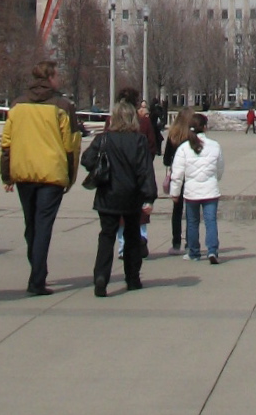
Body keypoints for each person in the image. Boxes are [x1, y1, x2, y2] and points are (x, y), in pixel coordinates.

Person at [0, 60, 82, 294]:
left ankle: (37, 269)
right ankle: (37, 278)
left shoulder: (17, 105)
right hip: (51, 175)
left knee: (31, 225)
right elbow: (71, 145)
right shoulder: (62, 106)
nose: (60, 79)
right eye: (58, 75)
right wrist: (70, 175)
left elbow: (7, 143)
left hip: (24, 173)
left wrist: (7, 175)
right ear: (50, 78)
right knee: (43, 225)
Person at [83, 99, 157, 295]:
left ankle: (101, 276)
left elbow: (87, 159)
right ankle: (132, 278)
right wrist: (149, 197)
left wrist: (101, 164)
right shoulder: (139, 141)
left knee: (107, 236)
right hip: (131, 196)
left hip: (107, 195)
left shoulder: (104, 139)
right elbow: (145, 171)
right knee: (132, 236)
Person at [170, 112, 224, 264]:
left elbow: (177, 173)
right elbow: (220, 168)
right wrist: (215, 179)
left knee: (192, 222)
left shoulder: (184, 148)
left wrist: (175, 192)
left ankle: (194, 252)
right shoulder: (214, 146)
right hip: (210, 190)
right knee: (210, 221)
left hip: (191, 191)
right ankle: (212, 250)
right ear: (205, 128)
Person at [163, 106, 195, 255]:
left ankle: (176, 243)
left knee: (177, 210)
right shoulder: (192, 136)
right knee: (191, 211)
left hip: (177, 175)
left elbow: (165, 159)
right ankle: (190, 242)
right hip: (190, 175)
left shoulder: (173, 135)